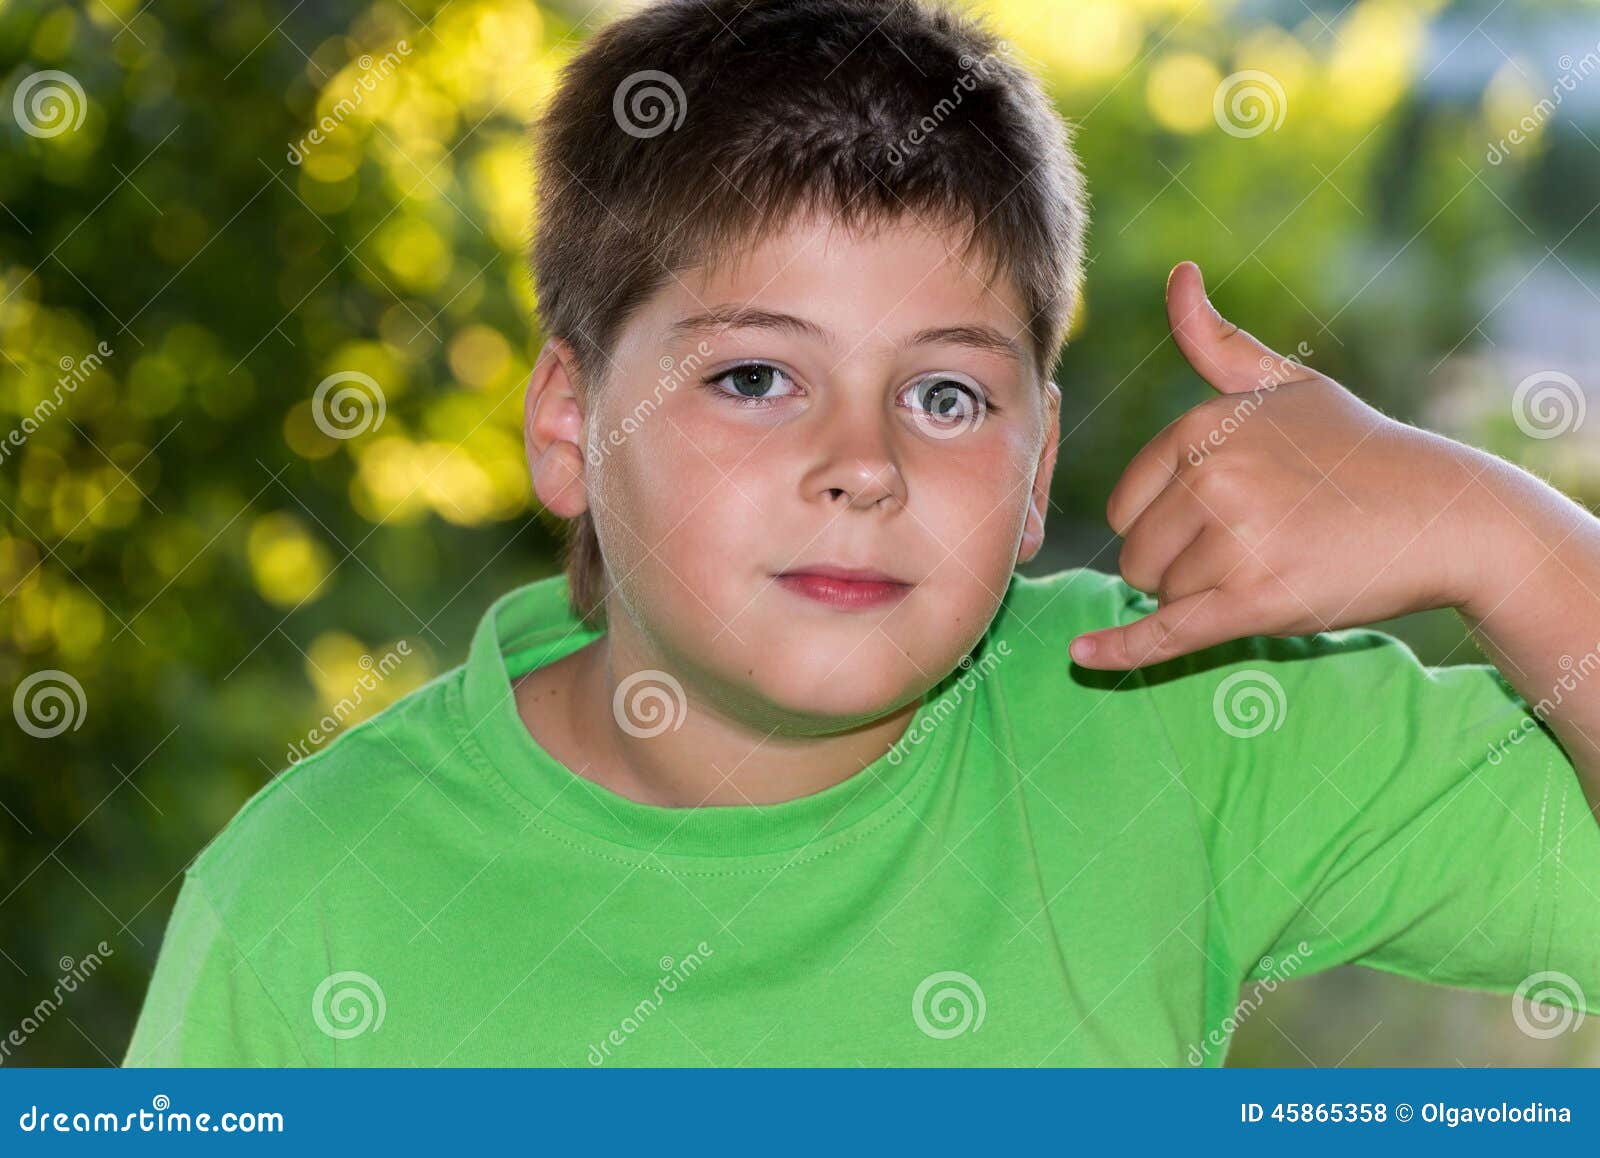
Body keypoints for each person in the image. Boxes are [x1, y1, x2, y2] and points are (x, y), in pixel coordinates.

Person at [126, 0, 1600, 1066]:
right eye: (756, 376)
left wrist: (1501, 534)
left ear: (1037, 476)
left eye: (947, 394)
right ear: (572, 427)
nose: (863, 464)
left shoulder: (1175, 727)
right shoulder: (313, 900)